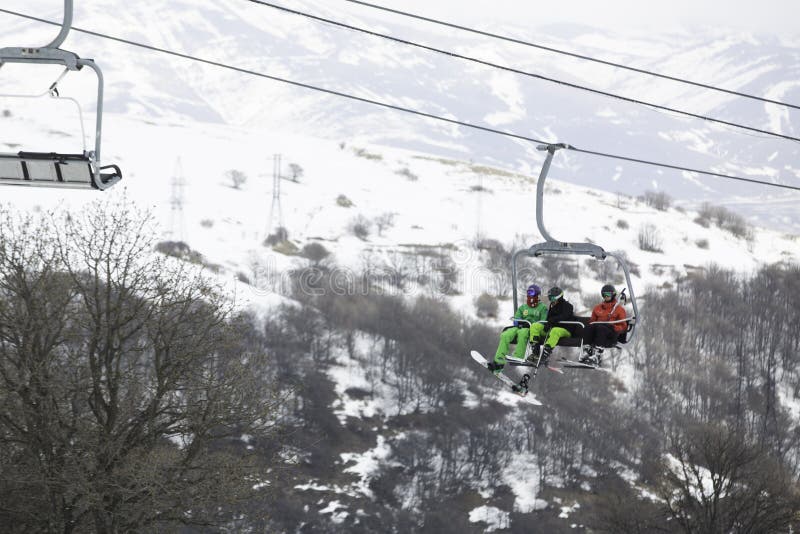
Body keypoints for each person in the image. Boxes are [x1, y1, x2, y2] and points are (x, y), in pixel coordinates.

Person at [487, 284, 548, 374]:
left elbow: (543, 321)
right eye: (528, 293)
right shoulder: (523, 307)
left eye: (532, 293)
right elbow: (517, 317)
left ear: (537, 295)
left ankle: (518, 356)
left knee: (523, 333)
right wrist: (518, 322)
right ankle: (499, 362)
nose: (530, 295)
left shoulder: (542, 308)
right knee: (505, 334)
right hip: (519, 326)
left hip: (530, 328)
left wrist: (534, 325)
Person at [527, 286, 575, 366]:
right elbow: (549, 318)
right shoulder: (552, 306)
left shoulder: (568, 306)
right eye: (549, 298)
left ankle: (545, 353)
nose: (551, 301)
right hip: (552, 329)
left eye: (552, 299)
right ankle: (535, 352)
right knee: (535, 326)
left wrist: (551, 321)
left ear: (559, 297)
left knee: (555, 330)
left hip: (566, 330)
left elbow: (564, 316)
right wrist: (547, 324)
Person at [580, 284, 627, 365]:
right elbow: (592, 321)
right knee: (589, 327)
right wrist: (593, 326)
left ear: (613, 295)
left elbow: (623, 326)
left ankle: (597, 355)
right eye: (604, 295)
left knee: (601, 328)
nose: (606, 296)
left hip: (611, 334)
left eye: (608, 295)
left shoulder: (619, 309)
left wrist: (614, 327)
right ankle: (587, 351)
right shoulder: (597, 308)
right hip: (598, 330)